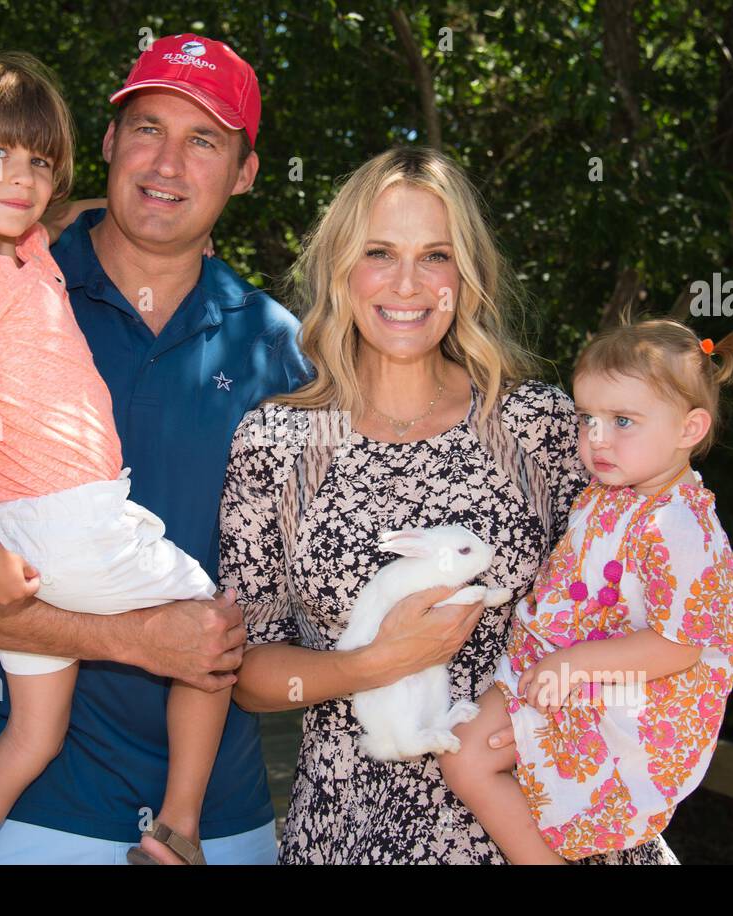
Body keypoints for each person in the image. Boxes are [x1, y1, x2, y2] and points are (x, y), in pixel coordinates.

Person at [0, 34, 310, 864]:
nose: (167, 163)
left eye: (204, 141)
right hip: (21, 813)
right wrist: (134, 638)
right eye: (147, 129)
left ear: (246, 173)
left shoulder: (278, 351)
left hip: (219, 821)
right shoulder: (3, 287)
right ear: (109, 142)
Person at [219, 145, 679, 863]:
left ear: (466, 276)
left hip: (544, 827)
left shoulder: (538, 426)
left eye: (435, 256)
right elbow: (246, 670)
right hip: (357, 832)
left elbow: (648, 585)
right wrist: (376, 660)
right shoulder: (277, 442)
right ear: (342, 268)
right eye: (379, 252)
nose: (407, 283)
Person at [439, 318, 733, 862]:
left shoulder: (678, 526)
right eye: (586, 418)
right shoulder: (610, 493)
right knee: (466, 754)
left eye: (622, 421)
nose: (596, 438)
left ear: (689, 429)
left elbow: (681, 646)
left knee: (468, 756)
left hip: (627, 695)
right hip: (559, 667)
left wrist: (574, 666)